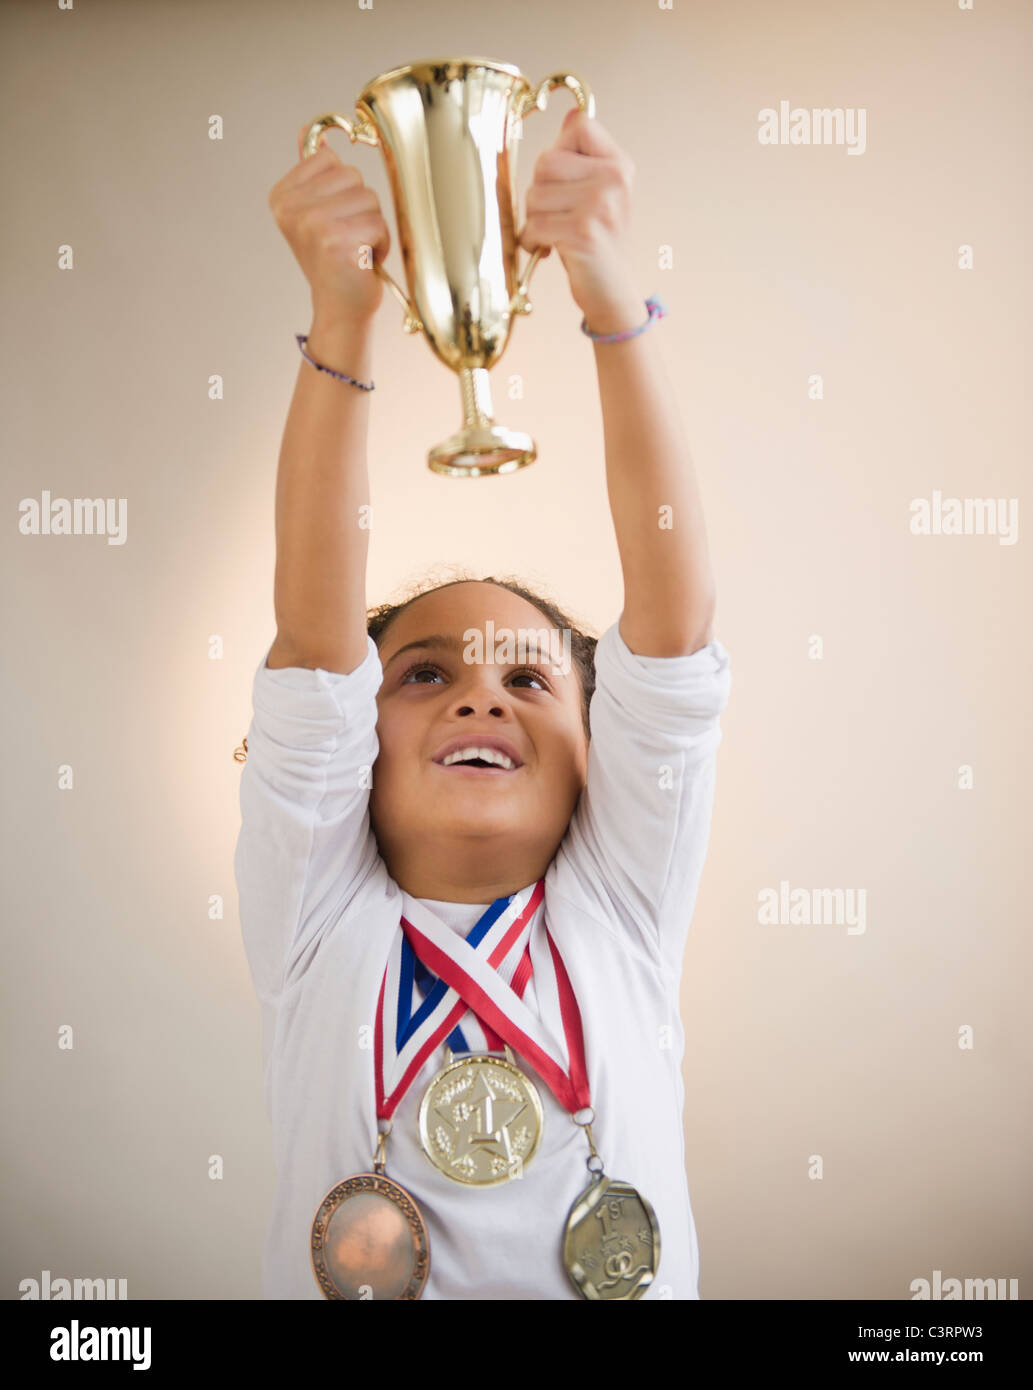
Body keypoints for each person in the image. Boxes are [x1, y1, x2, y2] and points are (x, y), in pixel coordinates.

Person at [234, 106, 731, 1300]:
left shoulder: (617, 897)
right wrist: (346, 320)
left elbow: (671, 632)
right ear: (358, 742)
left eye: (526, 675)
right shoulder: (320, 914)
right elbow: (314, 640)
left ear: (593, 757)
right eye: (424, 672)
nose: (479, 698)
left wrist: (610, 301)